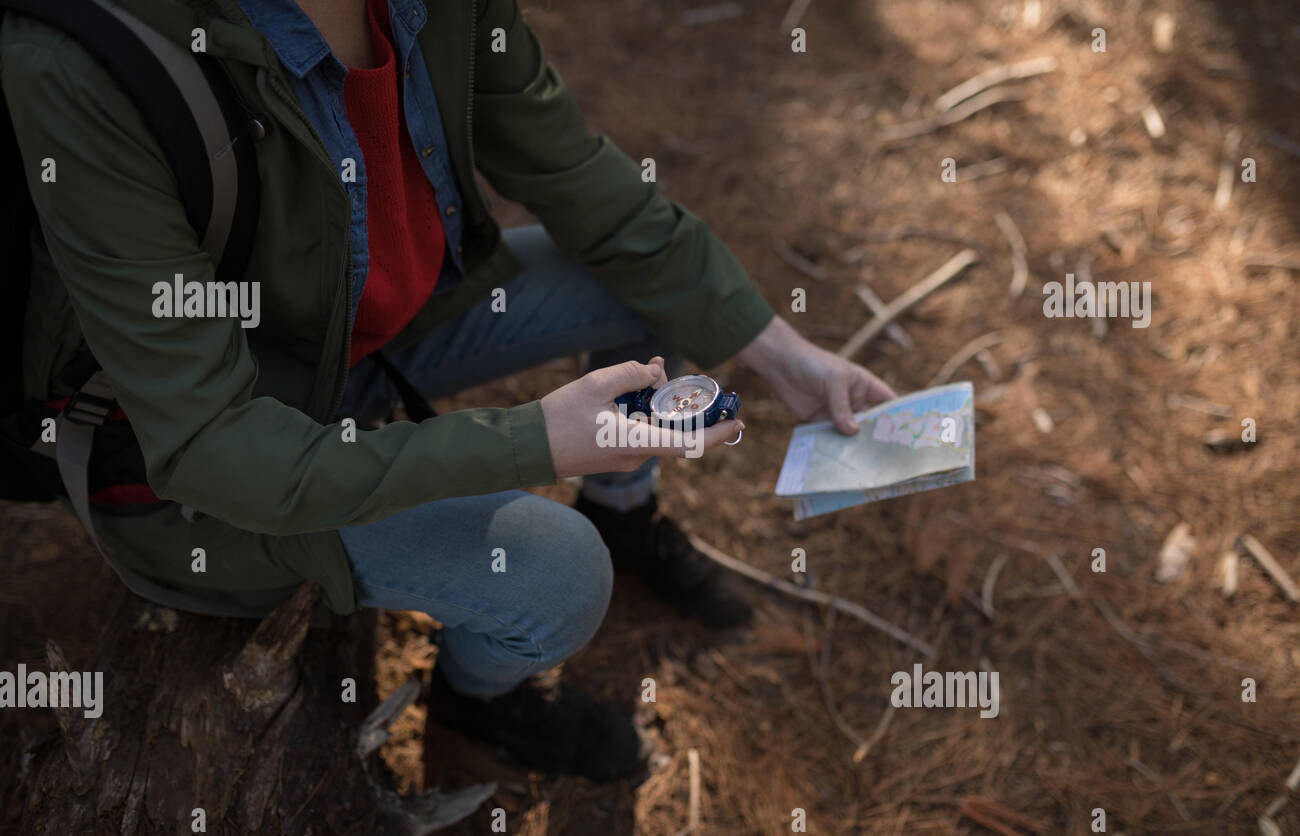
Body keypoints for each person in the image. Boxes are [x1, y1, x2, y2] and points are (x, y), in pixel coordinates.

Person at [2, 0, 894, 779]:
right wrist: (530, 440)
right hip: (195, 476)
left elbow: (582, 178)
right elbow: (211, 448)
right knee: (558, 573)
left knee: (651, 284)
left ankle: (624, 512)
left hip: (354, 342)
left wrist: (783, 352)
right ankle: (480, 703)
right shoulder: (87, 57)